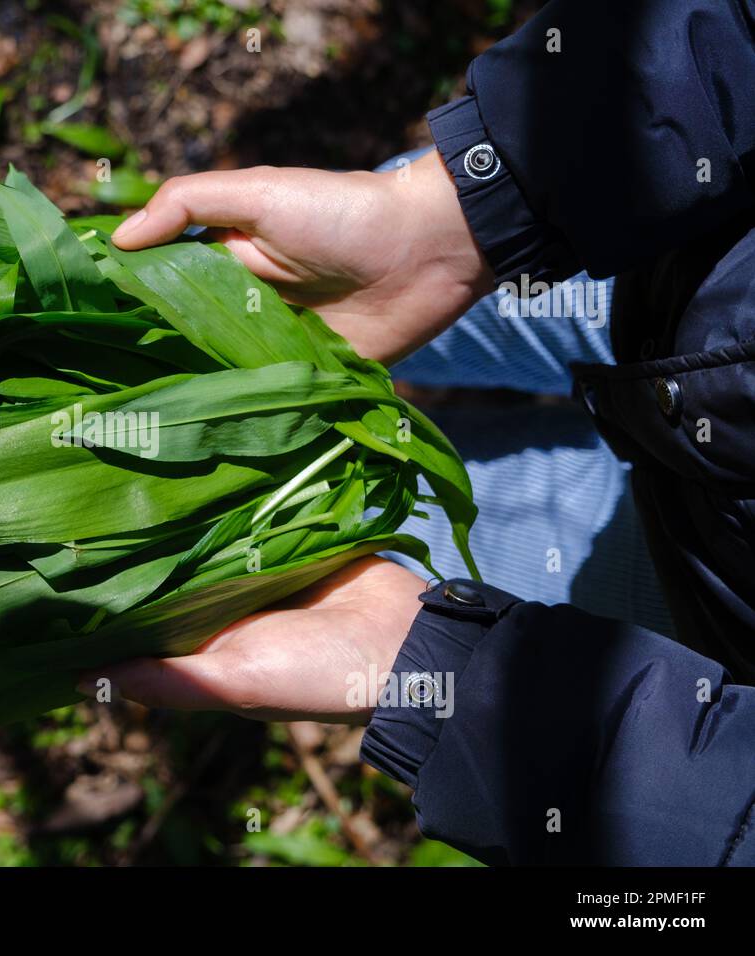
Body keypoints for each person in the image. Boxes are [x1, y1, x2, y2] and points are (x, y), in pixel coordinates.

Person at [96, 1, 755, 865]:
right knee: (275, 339)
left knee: (302, 545)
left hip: (702, 637)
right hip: (672, 235)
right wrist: (461, 211)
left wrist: (452, 677)